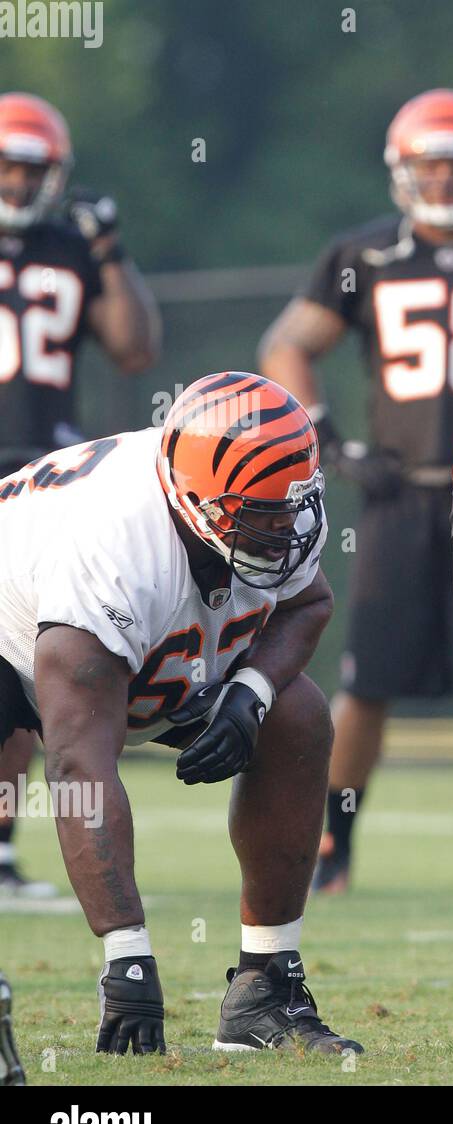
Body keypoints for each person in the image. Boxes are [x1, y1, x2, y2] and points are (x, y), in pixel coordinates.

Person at [0, 373, 360, 1055]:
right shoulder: (111, 542)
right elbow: (77, 760)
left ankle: (266, 990)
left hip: (158, 650)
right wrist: (128, 958)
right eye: (264, 515)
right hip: (14, 638)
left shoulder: (267, 500)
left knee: (298, 716)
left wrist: (251, 693)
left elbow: (309, 601)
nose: (287, 530)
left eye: (294, 508)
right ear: (196, 503)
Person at [259, 89, 453, 897]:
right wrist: (328, 439)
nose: (442, 179)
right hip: (398, 499)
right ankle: (332, 843)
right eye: (428, 164)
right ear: (402, 171)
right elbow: (287, 346)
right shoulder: (363, 255)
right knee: (366, 683)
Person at [0, 91, 161, 898]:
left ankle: (0, 844)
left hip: (44, 480)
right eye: (5, 166)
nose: (17, 183)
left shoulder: (75, 246)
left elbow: (136, 348)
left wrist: (111, 250)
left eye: (30, 169)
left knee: (27, 664)